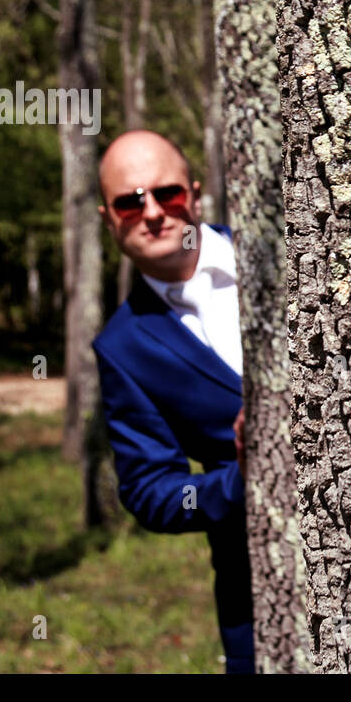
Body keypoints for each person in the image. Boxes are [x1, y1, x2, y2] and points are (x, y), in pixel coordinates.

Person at [91, 128, 253, 673]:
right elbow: (150, 490)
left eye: (169, 194)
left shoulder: (284, 251)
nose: (154, 212)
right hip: (258, 579)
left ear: (197, 194)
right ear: (108, 219)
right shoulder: (122, 347)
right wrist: (241, 483)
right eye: (130, 202)